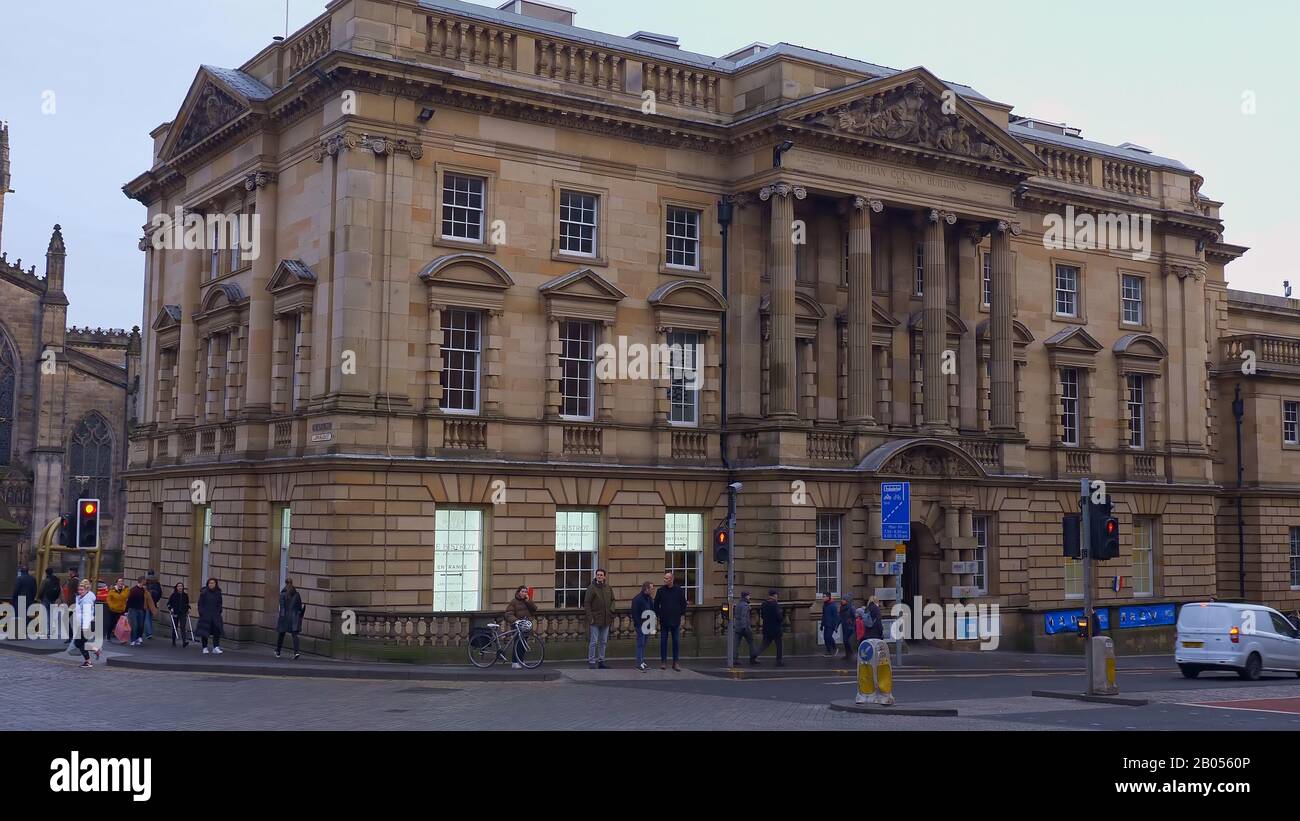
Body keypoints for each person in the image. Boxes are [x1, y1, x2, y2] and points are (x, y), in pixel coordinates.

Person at [653, 570, 687, 671]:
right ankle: (663, 662)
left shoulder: (679, 590)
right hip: (664, 620)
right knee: (663, 642)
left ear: (671, 579)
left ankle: (675, 662)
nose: (665, 580)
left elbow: (683, 604)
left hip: (675, 620)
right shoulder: (661, 591)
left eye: (666, 578)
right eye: (664, 578)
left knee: (676, 642)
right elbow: (656, 604)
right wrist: (659, 614)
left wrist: (679, 613)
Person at [584, 568, 615, 669]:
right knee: (594, 641)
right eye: (598, 575)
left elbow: (613, 600)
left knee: (604, 641)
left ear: (604, 577)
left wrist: (611, 610)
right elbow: (587, 603)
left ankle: (601, 660)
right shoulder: (591, 588)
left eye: (601, 575)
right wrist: (590, 617)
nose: (599, 576)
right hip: (595, 619)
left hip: (606, 619)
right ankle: (591, 661)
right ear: (596, 576)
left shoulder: (608, 588)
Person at [503, 585, 538, 669]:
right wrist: (516, 620)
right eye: (522, 591)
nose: (524, 593)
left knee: (524, 644)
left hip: (526, 625)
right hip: (517, 625)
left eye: (525, 592)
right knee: (518, 644)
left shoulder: (527, 601)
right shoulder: (514, 602)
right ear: (518, 592)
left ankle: (521, 661)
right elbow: (508, 614)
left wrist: (528, 601)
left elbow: (534, 609)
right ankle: (514, 662)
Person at [275, 578, 307, 659]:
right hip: (294, 617)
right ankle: (296, 652)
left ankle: (278, 651)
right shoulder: (296, 594)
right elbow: (300, 606)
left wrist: (281, 619)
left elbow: (282, 607)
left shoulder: (283, 594)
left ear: (286, 583)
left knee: (281, 634)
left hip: (285, 617)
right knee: (294, 635)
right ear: (292, 583)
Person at [752, 589, 784, 666]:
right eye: (776, 595)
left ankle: (753, 656)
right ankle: (779, 661)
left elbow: (762, 616)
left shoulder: (764, 604)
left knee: (764, 645)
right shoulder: (775, 605)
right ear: (774, 595)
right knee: (779, 645)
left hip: (766, 628)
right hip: (775, 628)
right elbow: (779, 617)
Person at [125, 576, 157, 647]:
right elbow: (129, 600)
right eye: (145, 580)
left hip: (142, 609)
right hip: (133, 609)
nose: (146, 582)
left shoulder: (144, 590)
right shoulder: (133, 590)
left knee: (140, 625)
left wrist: (152, 609)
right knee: (134, 625)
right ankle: (133, 639)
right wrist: (126, 610)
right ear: (142, 581)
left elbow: (149, 599)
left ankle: (138, 637)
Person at [73, 579, 98, 669]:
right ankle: (95, 649)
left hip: (87, 624)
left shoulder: (86, 600)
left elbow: (87, 615)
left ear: (87, 590)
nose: (80, 591)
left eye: (82, 590)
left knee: (79, 643)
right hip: (86, 624)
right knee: (80, 643)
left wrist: (84, 628)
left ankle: (88, 662)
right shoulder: (82, 597)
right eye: (79, 589)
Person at [630, 581, 654, 672]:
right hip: (641, 625)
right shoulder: (637, 599)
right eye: (651, 588)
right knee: (640, 644)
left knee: (644, 644)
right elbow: (635, 613)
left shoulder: (649, 598)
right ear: (646, 589)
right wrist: (638, 624)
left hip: (648, 624)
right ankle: (639, 663)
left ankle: (642, 661)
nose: (652, 590)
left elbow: (652, 610)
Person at [195, 578, 224, 654]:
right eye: (210, 583)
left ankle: (216, 647)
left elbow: (220, 603)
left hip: (215, 615)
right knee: (204, 632)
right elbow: (200, 604)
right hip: (205, 615)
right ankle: (205, 647)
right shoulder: (204, 592)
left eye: (213, 583)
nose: (211, 584)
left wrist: (219, 611)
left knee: (216, 631)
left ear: (215, 584)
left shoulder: (218, 593)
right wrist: (202, 612)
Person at [733, 590, 756, 664]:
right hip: (744, 627)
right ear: (746, 596)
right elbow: (743, 616)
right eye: (749, 595)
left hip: (737, 626)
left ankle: (735, 659)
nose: (750, 597)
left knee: (736, 644)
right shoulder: (745, 605)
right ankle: (753, 658)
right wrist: (744, 627)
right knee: (751, 642)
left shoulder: (738, 604)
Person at [166, 582, 191, 647]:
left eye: (181, 586)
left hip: (183, 613)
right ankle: (173, 641)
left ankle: (184, 642)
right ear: (176, 588)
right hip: (175, 613)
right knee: (175, 627)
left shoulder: (185, 595)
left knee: (183, 627)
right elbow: (169, 604)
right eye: (179, 586)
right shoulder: (173, 595)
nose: (180, 587)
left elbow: (187, 603)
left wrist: (188, 608)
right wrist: (171, 608)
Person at [104, 579, 128, 644]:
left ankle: (122, 639)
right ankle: (108, 635)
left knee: (122, 625)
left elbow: (126, 597)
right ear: (116, 583)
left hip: (121, 610)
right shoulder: (113, 590)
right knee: (112, 623)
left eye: (122, 581)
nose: (121, 582)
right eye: (119, 581)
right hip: (113, 610)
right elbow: (108, 599)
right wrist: (112, 606)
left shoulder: (126, 590)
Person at [144, 571, 163, 640]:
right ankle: (150, 632)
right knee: (150, 618)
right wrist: (156, 601)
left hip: (146, 603)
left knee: (147, 618)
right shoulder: (157, 583)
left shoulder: (146, 582)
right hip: (154, 603)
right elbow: (160, 594)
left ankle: (149, 633)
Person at [838, 596, 857, 661]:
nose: (842, 600)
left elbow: (855, 617)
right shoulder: (842, 608)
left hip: (850, 626)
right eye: (842, 599)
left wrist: (852, 622)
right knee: (845, 640)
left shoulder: (852, 608)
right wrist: (836, 626)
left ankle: (851, 652)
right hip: (844, 625)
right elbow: (840, 617)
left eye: (844, 599)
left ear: (847, 601)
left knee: (846, 640)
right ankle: (847, 654)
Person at [820, 592, 839, 657]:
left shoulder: (833, 606)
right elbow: (824, 615)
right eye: (822, 596)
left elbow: (836, 616)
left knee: (828, 637)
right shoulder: (824, 605)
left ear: (828, 597)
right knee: (825, 638)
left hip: (831, 624)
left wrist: (835, 626)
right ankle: (828, 651)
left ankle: (834, 648)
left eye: (824, 596)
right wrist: (822, 625)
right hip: (826, 624)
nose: (823, 598)